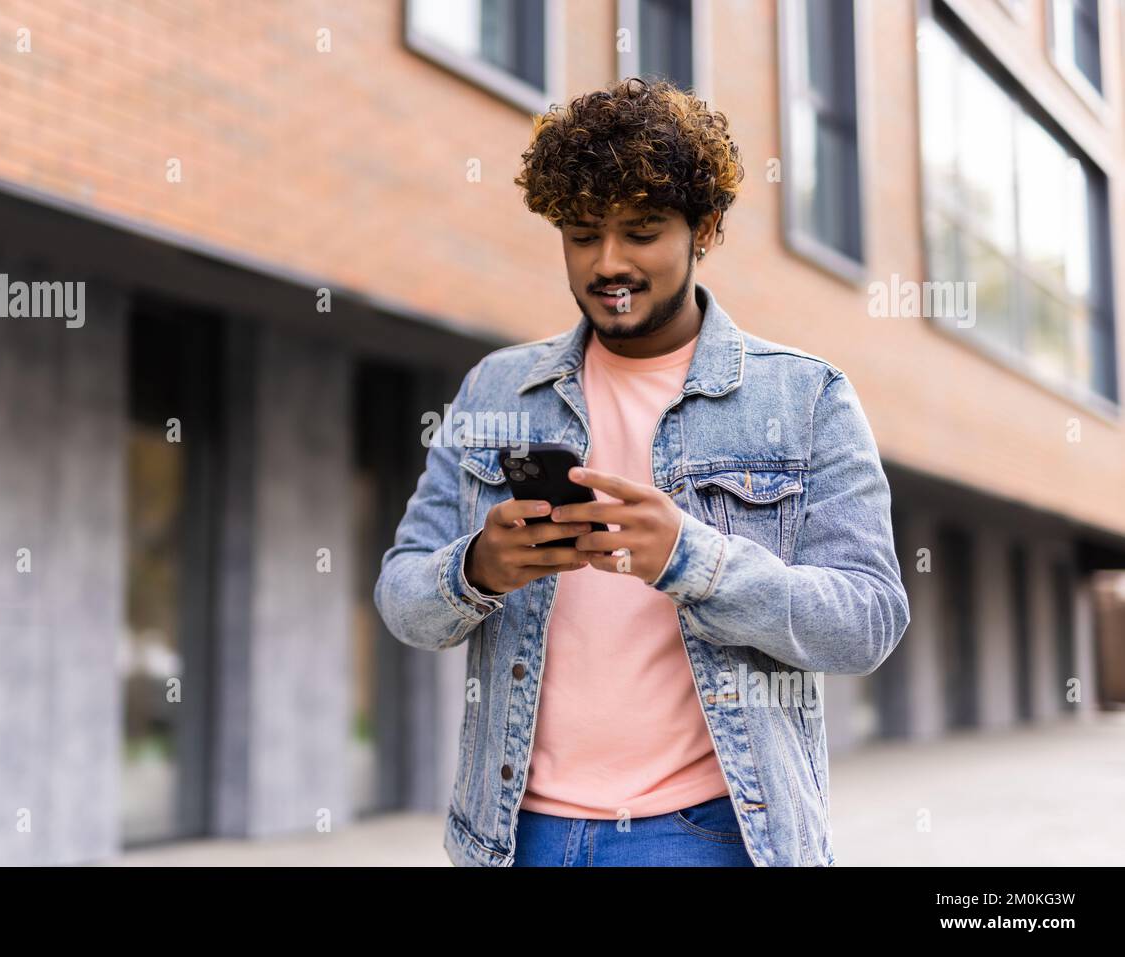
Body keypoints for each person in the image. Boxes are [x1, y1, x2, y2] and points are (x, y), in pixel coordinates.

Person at [374, 77, 909, 867]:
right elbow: (400, 597)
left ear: (707, 228)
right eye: (583, 234)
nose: (609, 262)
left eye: (642, 231)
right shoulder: (496, 388)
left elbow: (866, 620)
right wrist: (478, 567)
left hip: (707, 833)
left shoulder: (806, 396)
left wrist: (691, 559)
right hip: (514, 835)